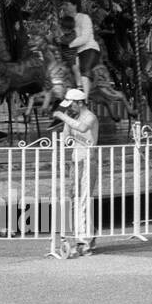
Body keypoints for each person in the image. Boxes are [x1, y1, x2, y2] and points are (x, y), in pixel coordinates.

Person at [52, 87, 100, 257]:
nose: (69, 108)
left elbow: (81, 128)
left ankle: (85, 242)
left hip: (88, 160)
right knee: (74, 199)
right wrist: (66, 122)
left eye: (71, 104)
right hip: (76, 161)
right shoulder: (74, 117)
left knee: (84, 199)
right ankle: (88, 235)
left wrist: (62, 116)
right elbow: (66, 138)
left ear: (79, 103)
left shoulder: (90, 117)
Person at [59, 0, 101, 96]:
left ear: (74, 6)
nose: (64, 7)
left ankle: (84, 98)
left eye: (67, 4)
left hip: (88, 49)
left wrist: (68, 45)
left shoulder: (84, 18)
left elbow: (85, 38)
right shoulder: (64, 21)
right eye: (63, 5)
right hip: (72, 53)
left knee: (84, 70)